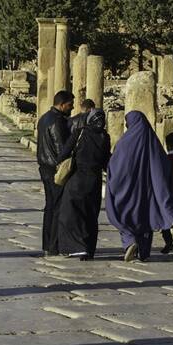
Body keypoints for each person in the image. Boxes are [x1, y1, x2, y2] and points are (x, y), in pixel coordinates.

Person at [106, 111, 173, 262]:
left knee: (126, 217)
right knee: (145, 220)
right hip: (148, 191)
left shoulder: (124, 143)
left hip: (127, 190)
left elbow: (114, 164)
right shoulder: (154, 143)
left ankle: (130, 242)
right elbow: (164, 167)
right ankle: (143, 252)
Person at [55, 109, 111, 260]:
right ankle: (88, 250)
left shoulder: (80, 132)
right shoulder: (104, 136)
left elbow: (64, 154)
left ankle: (74, 247)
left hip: (77, 179)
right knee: (91, 216)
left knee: (69, 214)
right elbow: (107, 162)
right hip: (95, 181)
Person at [36, 90, 74, 256]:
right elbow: (61, 148)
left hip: (44, 166)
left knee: (50, 206)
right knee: (57, 207)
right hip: (55, 169)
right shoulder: (58, 122)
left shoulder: (44, 118)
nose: (71, 108)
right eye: (70, 105)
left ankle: (47, 243)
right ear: (62, 104)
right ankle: (54, 245)